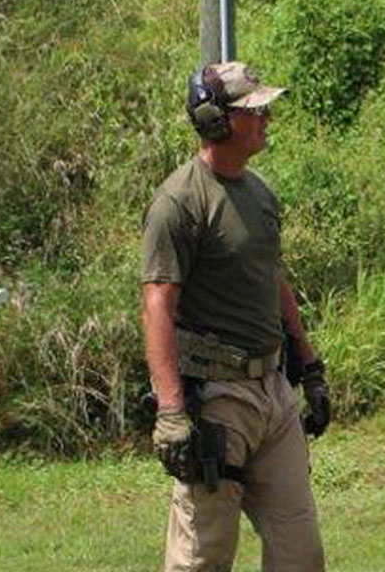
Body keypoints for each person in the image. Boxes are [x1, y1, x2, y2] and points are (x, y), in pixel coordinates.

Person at [141, 61, 330, 571]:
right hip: (217, 399)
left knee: (301, 554)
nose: (267, 117)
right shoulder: (179, 202)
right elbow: (157, 305)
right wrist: (171, 411)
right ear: (217, 121)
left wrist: (308, 364)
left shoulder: (260, 193)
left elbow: (273, 277)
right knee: (202, 557)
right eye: (255, 110)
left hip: (273, 393)